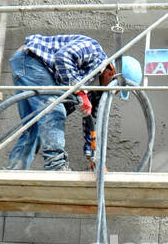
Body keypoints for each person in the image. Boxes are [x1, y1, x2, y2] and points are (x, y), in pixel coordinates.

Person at [8, 33, 116, 171]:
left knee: (33, 127)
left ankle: (14, 171)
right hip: (31, 60)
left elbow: (92, 124)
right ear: (111, 72)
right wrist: (80, 92)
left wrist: (94, 157)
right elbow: (62, 56)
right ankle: (56, 166)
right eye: (114, 88)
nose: (111, 92)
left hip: (26, 66)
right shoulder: (94, 51)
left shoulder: (97, 91)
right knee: (54, 111)